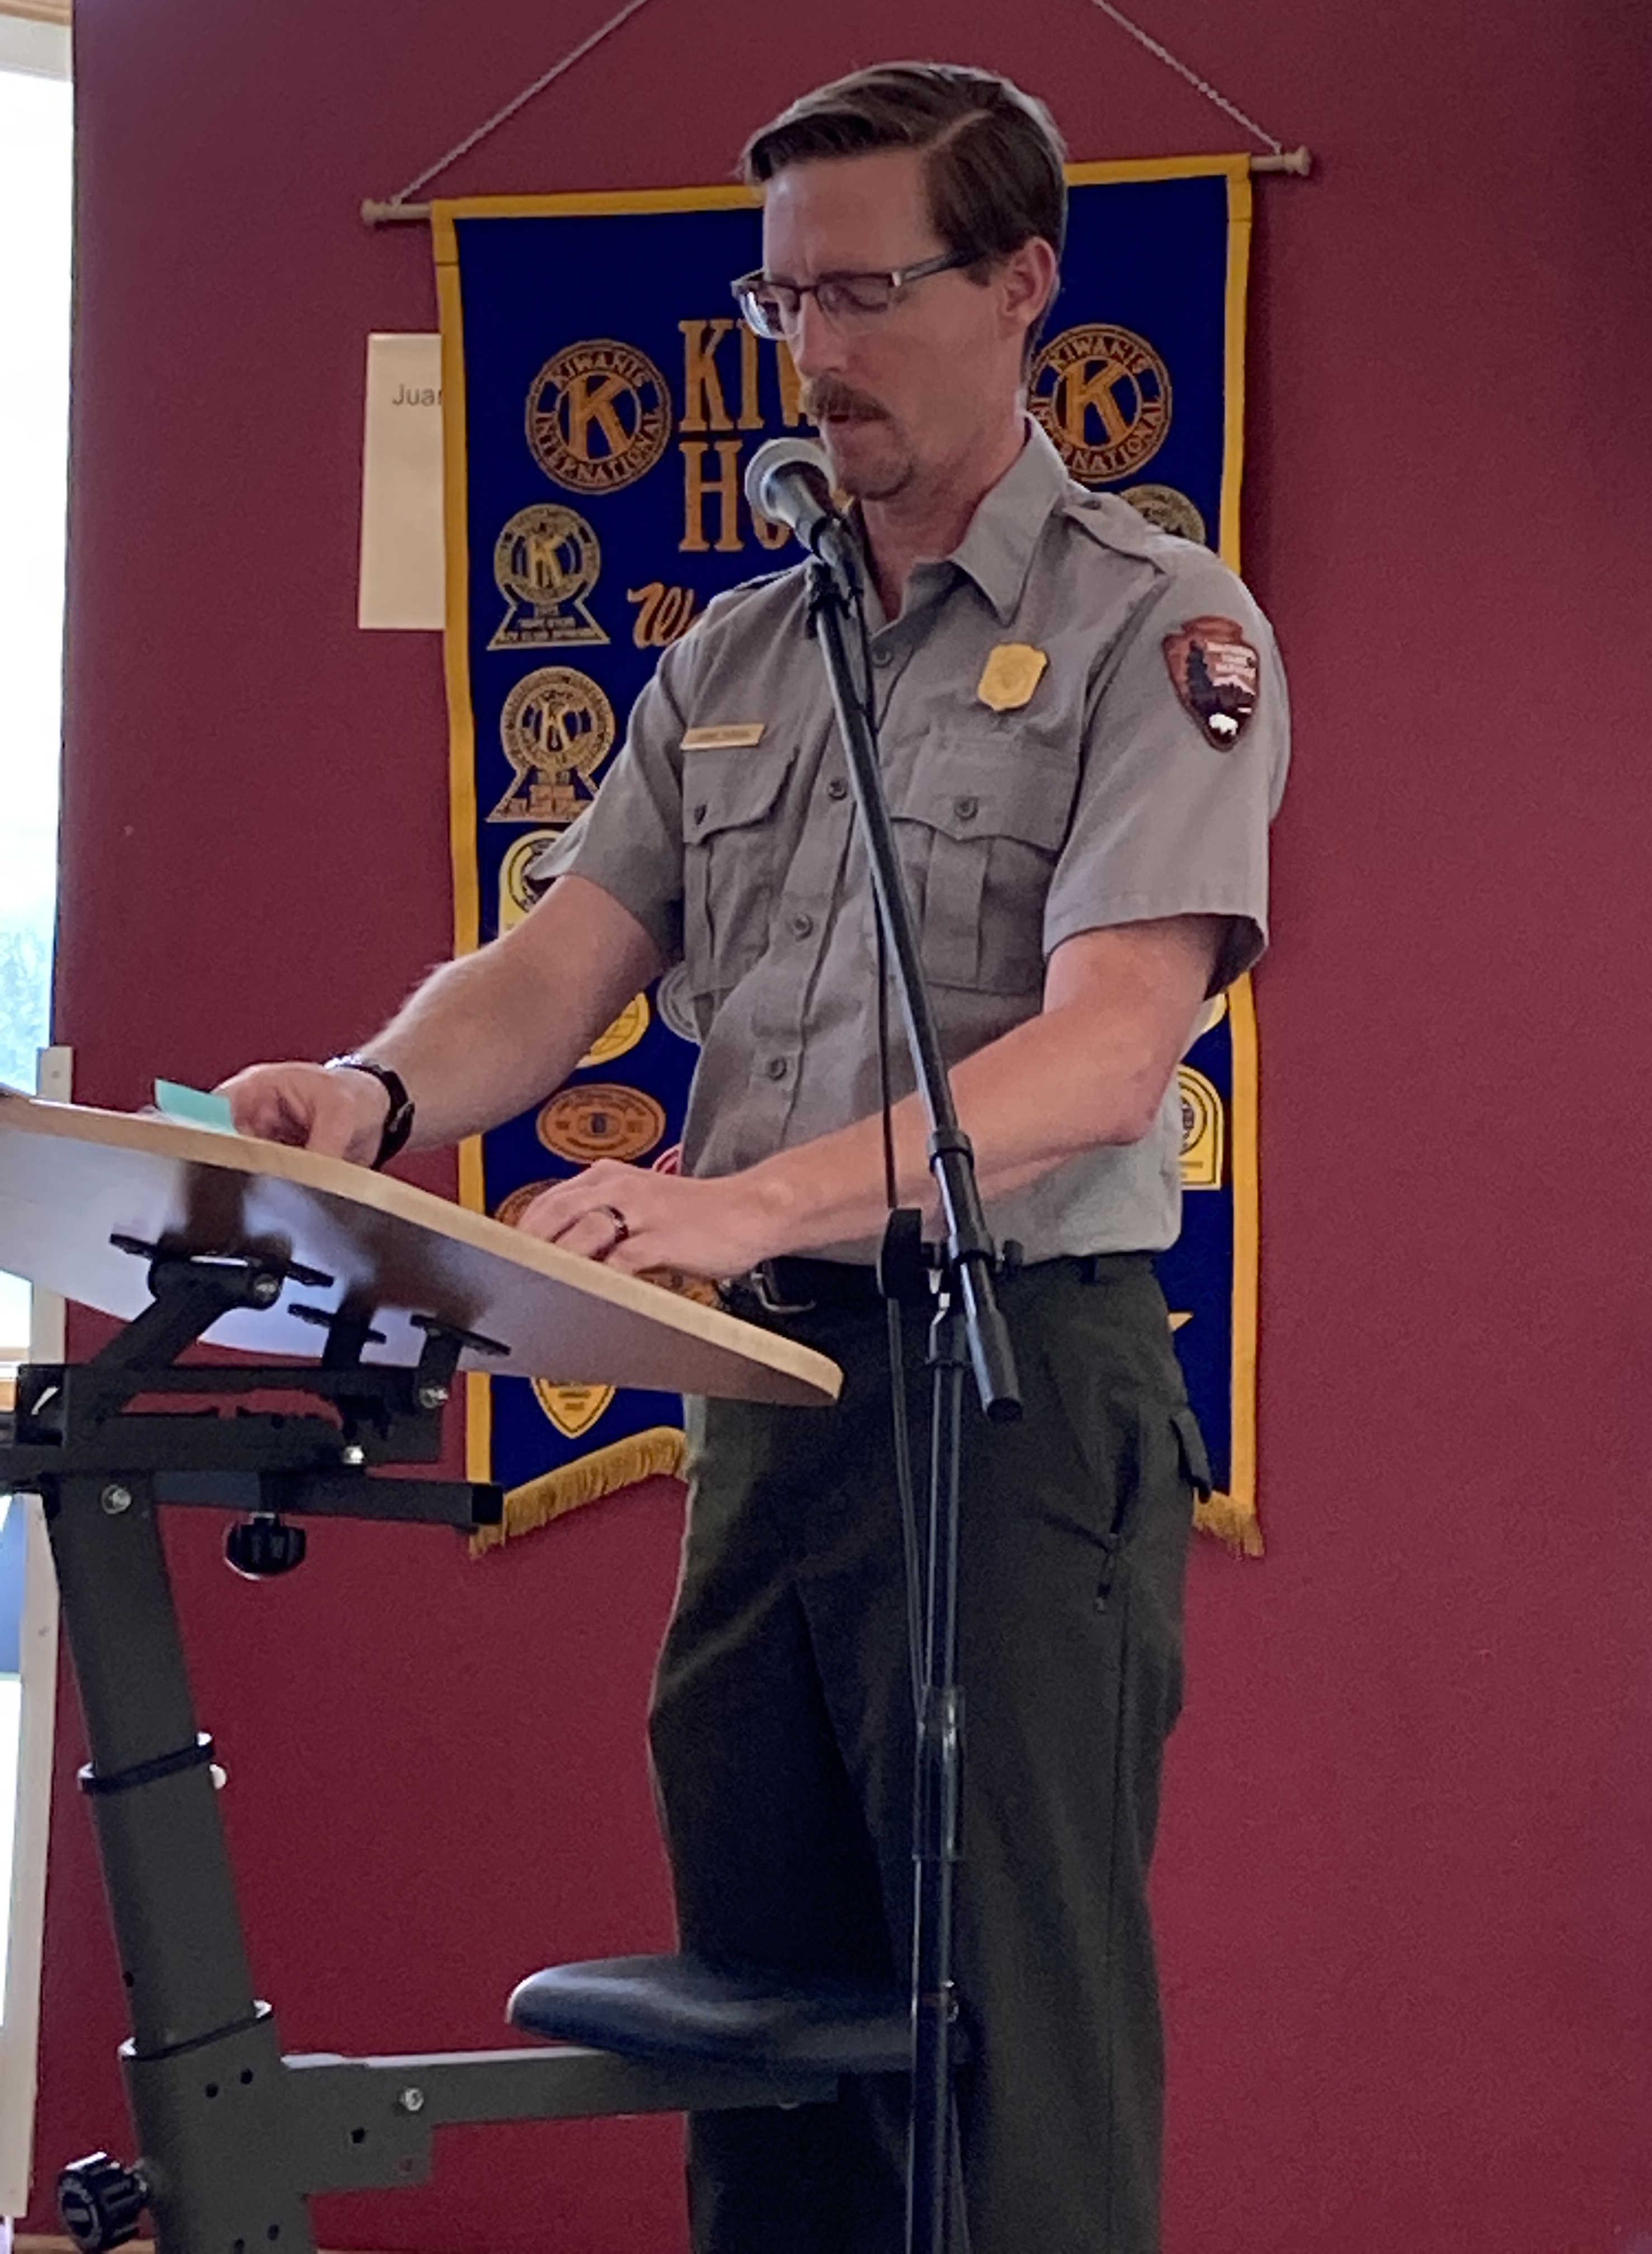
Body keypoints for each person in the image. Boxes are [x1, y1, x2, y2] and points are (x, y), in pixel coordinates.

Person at [222, 60, 1289, 2254]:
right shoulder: (736, 648)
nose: (808, 354)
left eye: (861, 294)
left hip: (1009, 1401)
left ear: (1022, 289)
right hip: (772, 1423)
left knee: (1011, 2049)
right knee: (766, 2044)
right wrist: (377, 1094)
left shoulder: (1152, 628)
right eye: (776, 303)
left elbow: (1104, 1062)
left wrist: (743, 1205)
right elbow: (557, 963)